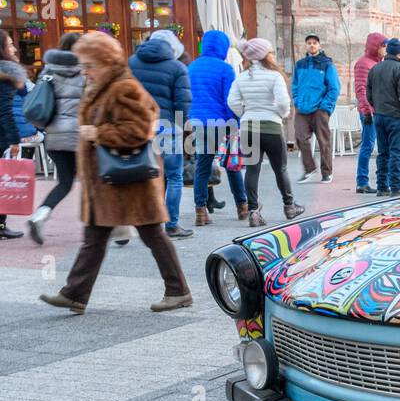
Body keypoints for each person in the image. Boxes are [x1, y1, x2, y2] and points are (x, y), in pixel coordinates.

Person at [37, 31, 190, 313]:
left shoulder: (123, 87)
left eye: (89, 65)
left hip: (128, 182)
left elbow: (142, 127)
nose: (85, 72)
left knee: (152, 236)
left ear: (106, 62)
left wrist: (99, 132)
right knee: (94, 240)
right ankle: (75, 293)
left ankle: (178, 290)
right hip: (108, 184)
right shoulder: (104, 86)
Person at [228, 38, 301, 227]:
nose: (272, 55)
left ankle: (253, 211)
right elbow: (284, 103)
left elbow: (232, 101)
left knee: (252, 170)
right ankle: (289, 206)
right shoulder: (274, 76)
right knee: (281, 169)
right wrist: (281, 114)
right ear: (264, 55)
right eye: (270, 51)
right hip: (271, 127)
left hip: (249, 127)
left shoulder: (241, 77)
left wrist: (244, 113)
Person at [128, 29, 192, 238]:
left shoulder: (131, 63)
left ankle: (136, 219)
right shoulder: (177, 67)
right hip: (167, 127)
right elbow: (182, 103)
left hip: (137, 126)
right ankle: (172, 224)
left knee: (139, 174)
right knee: (174, 176)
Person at [26, 33, 85, 244]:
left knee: (65, 182)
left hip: (53, 136)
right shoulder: (84, 71)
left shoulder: (48, 71)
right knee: (93, 181)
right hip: (79, 136)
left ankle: (40, 215)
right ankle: (110, 226)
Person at [187, 29, 247, 226]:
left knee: (202, 168)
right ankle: (242, 207)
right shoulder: (225, 69)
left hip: (199, 123)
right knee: (232, 165)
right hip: (222, 122)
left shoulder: (192, 67)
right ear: (222, 47)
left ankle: (200, 211)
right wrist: (235, 125)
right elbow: (229, 100)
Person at [366, 38, 400, 196]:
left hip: (379, 116)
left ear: (388, 51)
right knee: (396, 152)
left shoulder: (375, 69)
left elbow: (368, 94)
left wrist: (377, 107)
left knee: (383, 152)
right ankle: (395, 186)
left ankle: (382, 186)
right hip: (396, 117)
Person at [291, 34, 340, 183]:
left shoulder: (327, 65)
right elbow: (295, 85)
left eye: (314, 43)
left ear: (319, 46)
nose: (312, 45)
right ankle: (310, 169)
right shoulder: (300, 64)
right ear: (306, 46)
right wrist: (297, 102)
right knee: (300, 137)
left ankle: (327, 173)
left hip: (320, 109)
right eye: (309, 43)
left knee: (323, 141)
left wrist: (325, 107)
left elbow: (334, 88)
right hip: (302, 109)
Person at [353, 31, 385, 195]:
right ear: (375, 46)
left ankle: (383, 181)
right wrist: (367, 112)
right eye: (382, 46)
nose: (384, 49)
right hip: (369, 113)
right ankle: (362, 182)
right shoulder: (363, 64)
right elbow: (361, 90)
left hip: (379, 111)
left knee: (379, 146)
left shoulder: (378, 63)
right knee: (367, 146)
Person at [0, 34, 25, 240]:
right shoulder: (5, 75)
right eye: (9, 44)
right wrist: (15, 140)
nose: (15, 48)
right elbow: (4, 111)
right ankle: (0, 226)